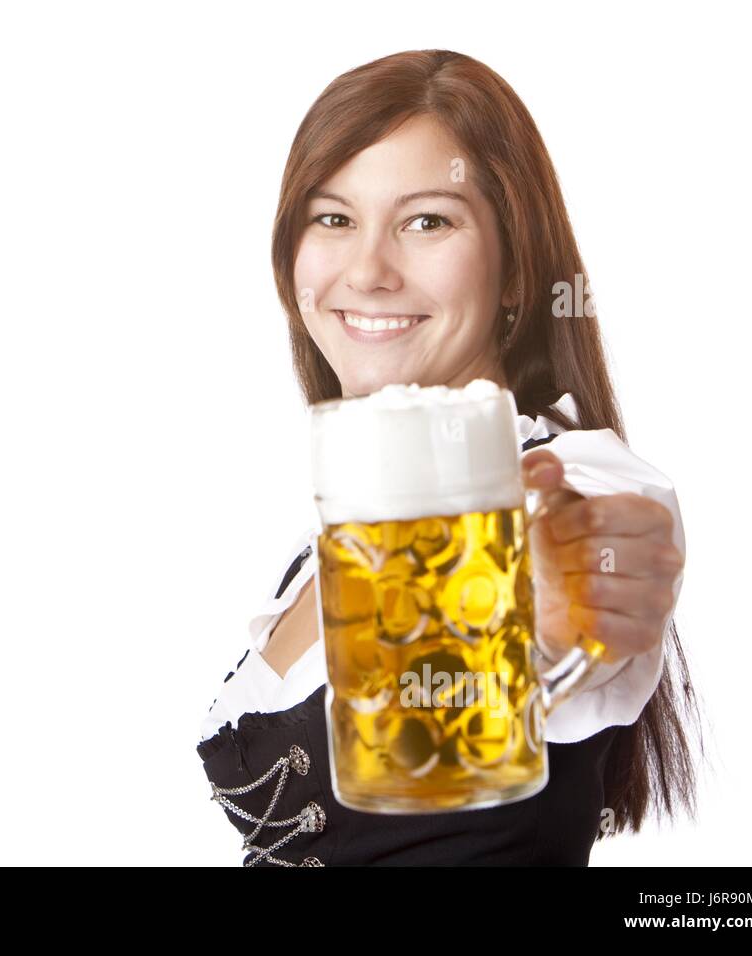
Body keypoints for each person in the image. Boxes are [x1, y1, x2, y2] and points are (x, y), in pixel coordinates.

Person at [195, 50, 704, 866]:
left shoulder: (576, 478)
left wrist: (572, 575)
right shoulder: (332, 535)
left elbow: (586, 567)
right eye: (333, 218)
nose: (367, 270)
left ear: (515, 270)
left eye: (427, 220)